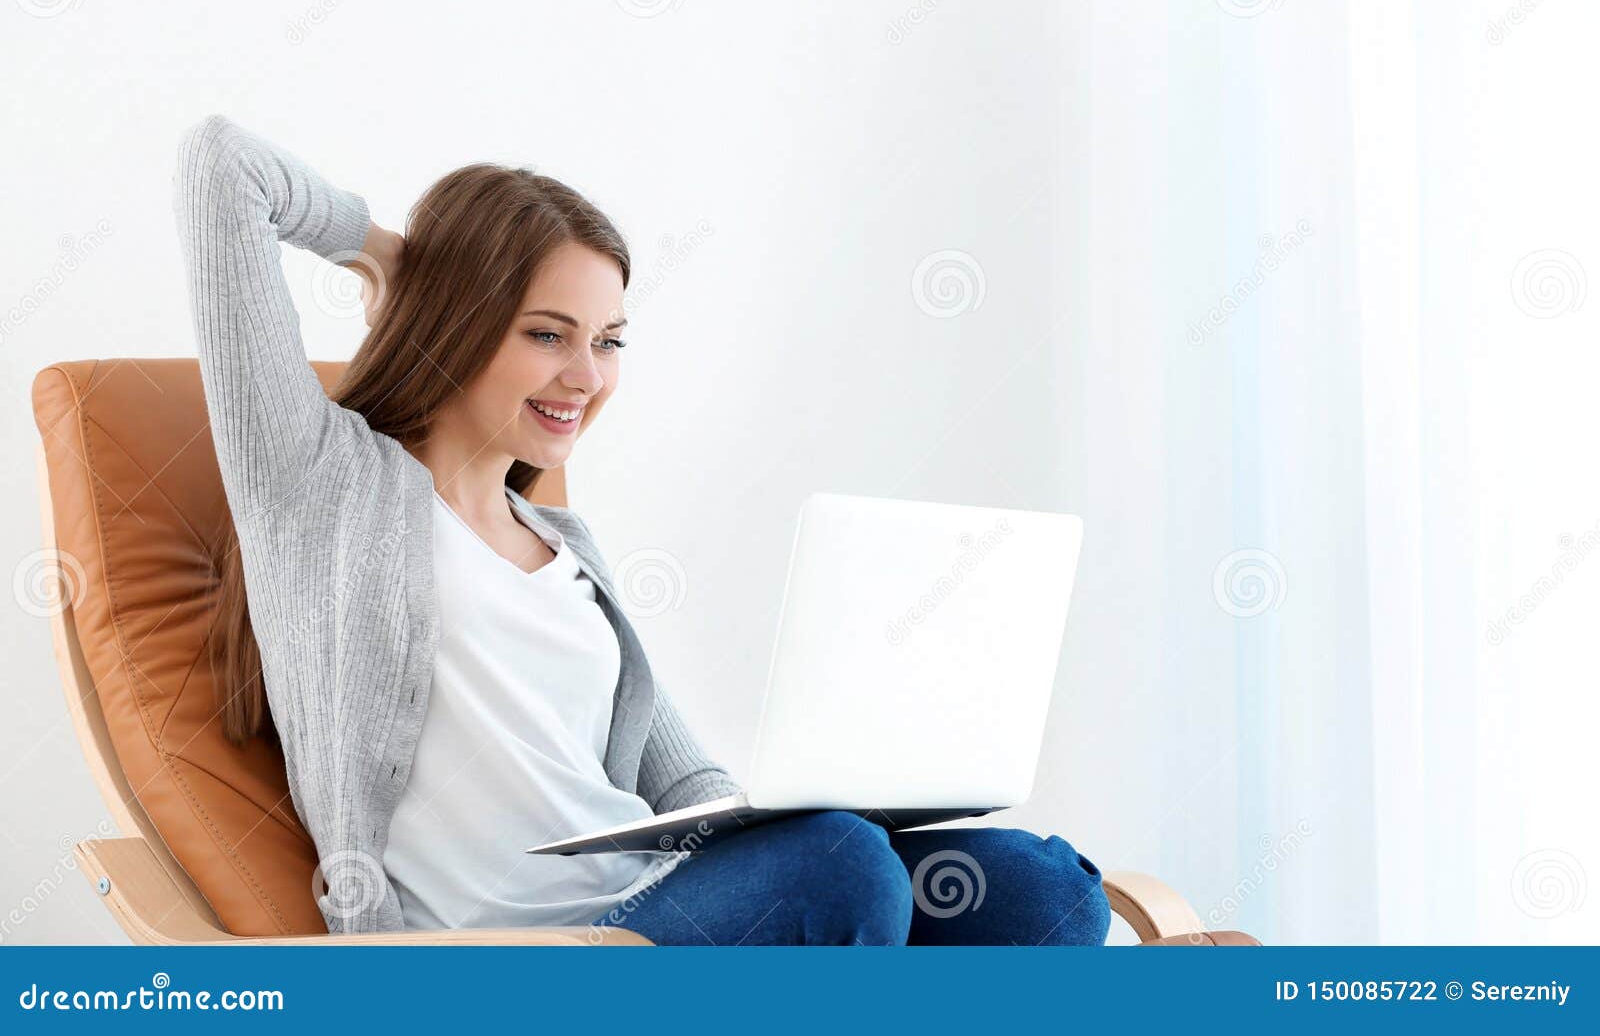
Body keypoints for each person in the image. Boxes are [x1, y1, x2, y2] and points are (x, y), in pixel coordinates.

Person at [172, 114, 1110, 945]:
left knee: (1038, 889)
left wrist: (807, 807)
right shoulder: (322, 485)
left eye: (609, 339)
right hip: (519, 956)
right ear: (454, 319)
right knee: (843, 868)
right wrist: (392, 256)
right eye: (547, 333)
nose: (588, 374)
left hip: (654, 907)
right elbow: (224, 169)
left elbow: (686, 784)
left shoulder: (567, 547)